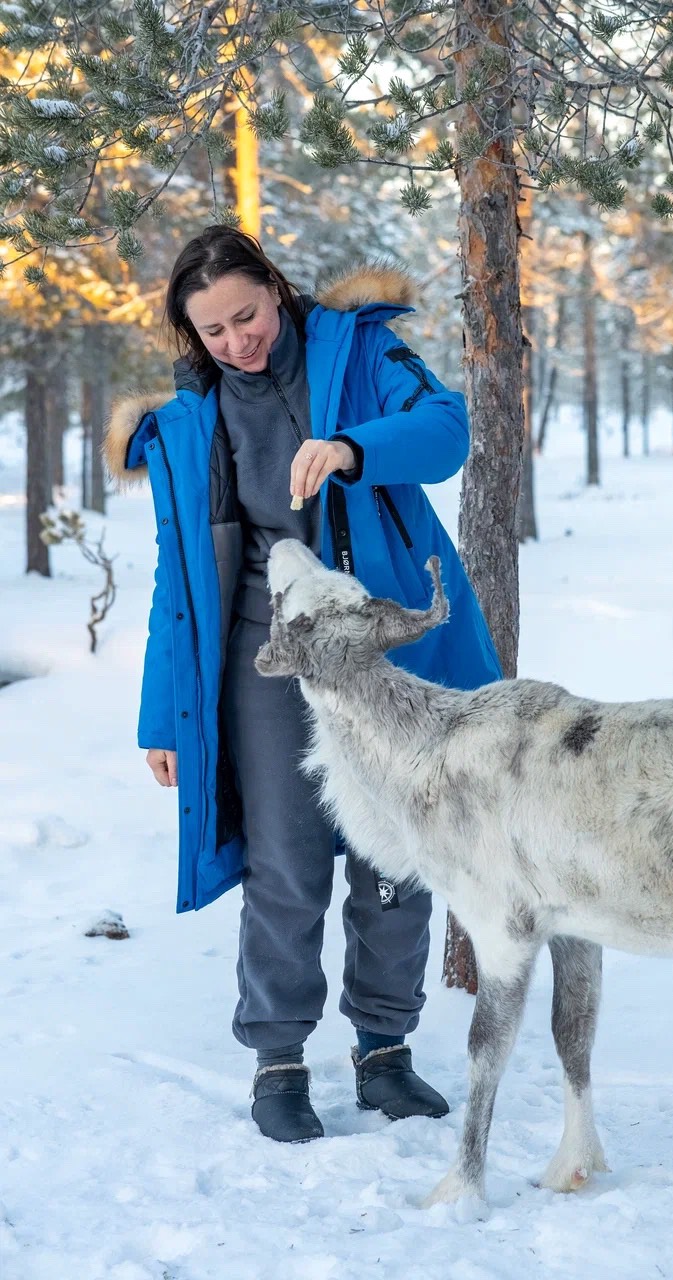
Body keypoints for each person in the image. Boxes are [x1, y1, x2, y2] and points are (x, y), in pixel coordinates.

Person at [104, 225, 502, 1143]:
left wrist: (355, 447)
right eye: (213, 331)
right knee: (283, 867)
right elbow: (178, 578)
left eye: (248, 315)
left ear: (276, 291)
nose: (238, 340)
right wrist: (162, 715)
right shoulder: (184, 424)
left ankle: (384, 1051)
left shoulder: (360, 350)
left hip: (382, 654)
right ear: (190, 336)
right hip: (261, 664)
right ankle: (278, 1060)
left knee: (393, 859)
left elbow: (445, 429)